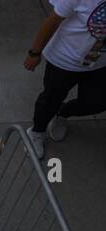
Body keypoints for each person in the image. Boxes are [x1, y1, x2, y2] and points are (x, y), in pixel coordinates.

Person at [25, 1, 106, 159]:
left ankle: (63, 113)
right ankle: (37, 131)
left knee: (97, 101)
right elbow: (53, 21)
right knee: (50, 100)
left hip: (99, 64)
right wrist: (34, 53)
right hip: (65, 61)